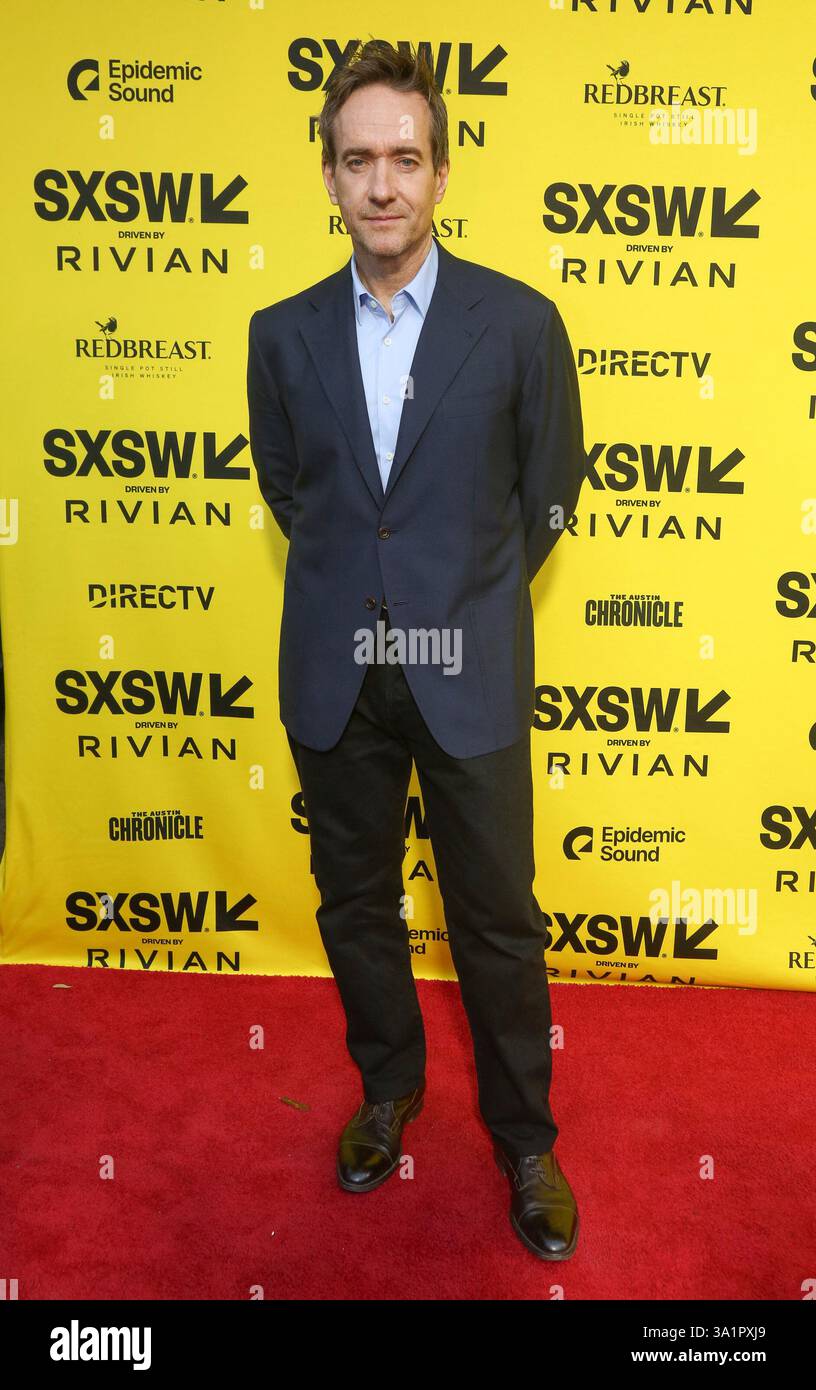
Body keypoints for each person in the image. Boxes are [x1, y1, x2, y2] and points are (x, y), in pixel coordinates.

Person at [247, 39, 586, 1262]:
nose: (381, 184)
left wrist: (464, 599)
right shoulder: (279, 336)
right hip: (335, 668)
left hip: (471, 669)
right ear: (329, 180)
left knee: (497, 916)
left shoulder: (521, 322)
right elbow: (298, 495)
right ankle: (387, 1091)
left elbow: (550, 490)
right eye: (357, 161)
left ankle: (527, 1139)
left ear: (442, 171)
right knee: (355, 901)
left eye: (405, 158)